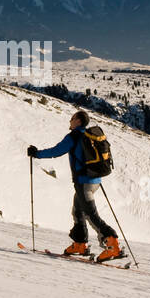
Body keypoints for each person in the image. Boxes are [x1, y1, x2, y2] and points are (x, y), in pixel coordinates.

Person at [27, 110, 122, 262]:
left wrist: (36, 153)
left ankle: (113, 246)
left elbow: (56, 151)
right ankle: (80, 244)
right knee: (77, 211)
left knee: (91, 215)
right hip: (94, 181)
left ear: (78, 120)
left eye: (72, 118)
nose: (70, 121)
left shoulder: (75, 136)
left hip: (84, 183)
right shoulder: (89, 135)